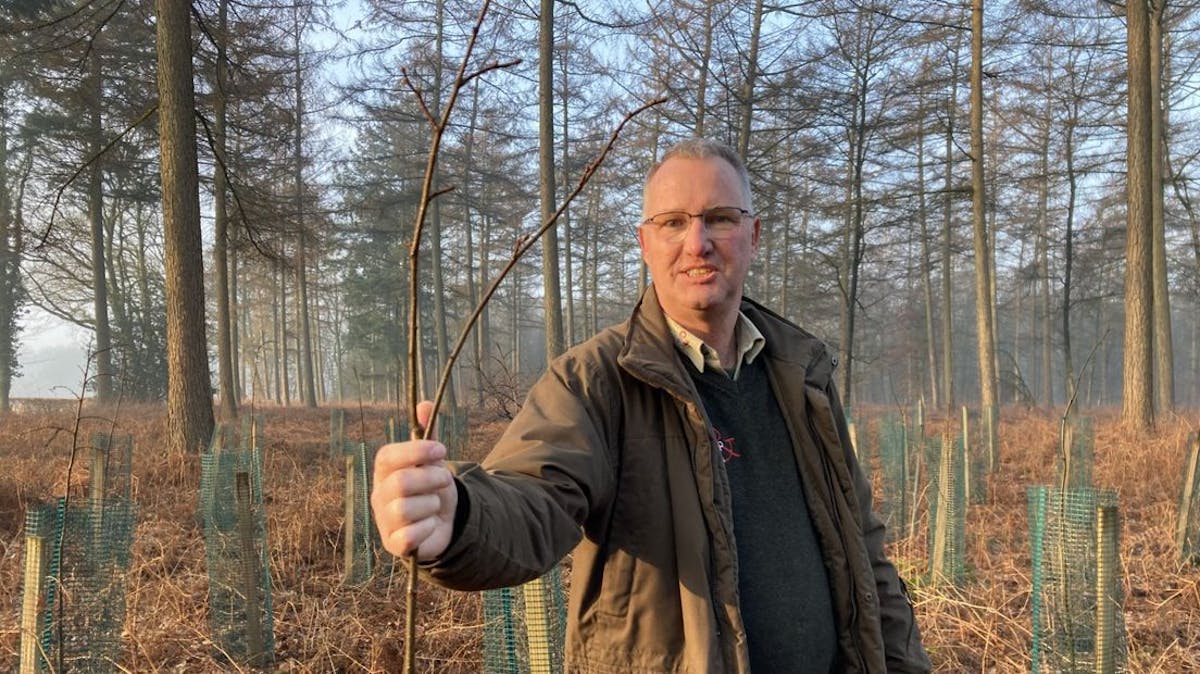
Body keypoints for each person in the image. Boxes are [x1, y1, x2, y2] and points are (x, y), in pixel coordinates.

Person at [371, 138, 931, 673]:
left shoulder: (802, 374)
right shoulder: (595, 381)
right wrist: (462, 515)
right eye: (673, 222)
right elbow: (534, 496)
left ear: (753, 235)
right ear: (645, 243)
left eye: (720, 218)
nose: (697, 243)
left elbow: (862, 549)